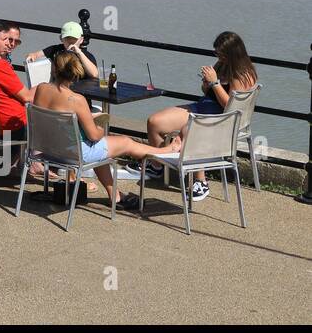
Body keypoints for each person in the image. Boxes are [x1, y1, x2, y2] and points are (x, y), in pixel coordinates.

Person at [32, 51, 180, 211]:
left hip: (49, 150)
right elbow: (94, 136)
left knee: (102, 150)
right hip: (73, 154)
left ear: (54, 68)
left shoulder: (41, 89)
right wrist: (101, 123)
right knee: (126, 142)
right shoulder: (76, 100)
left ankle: (115, 196)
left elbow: (54, 117)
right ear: (76, 71)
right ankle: (165, 151)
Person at [144, 30, 257, 201]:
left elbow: (230, 107)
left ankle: (201, 181)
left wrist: (215, 82)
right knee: (155, 122)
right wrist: (206, 85)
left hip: (221, 121)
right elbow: (208, 93)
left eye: (221, 54)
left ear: (232, 54)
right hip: (202, 108)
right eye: (217, 53)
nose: (218, 57)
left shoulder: (241, 75)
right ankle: (157, 166)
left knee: (190, 130)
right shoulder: (222, 65)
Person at [25, 21, 97, 79]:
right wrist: (32, 57)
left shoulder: (87, 56)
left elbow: (94, 74)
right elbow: (35, 55)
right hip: (58, 90)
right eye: (67, 38)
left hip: (79, 92)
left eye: (74, 38)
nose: (71, 41)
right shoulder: (56, 50)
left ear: (81, 40)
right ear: (61, 39)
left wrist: (80, 53)